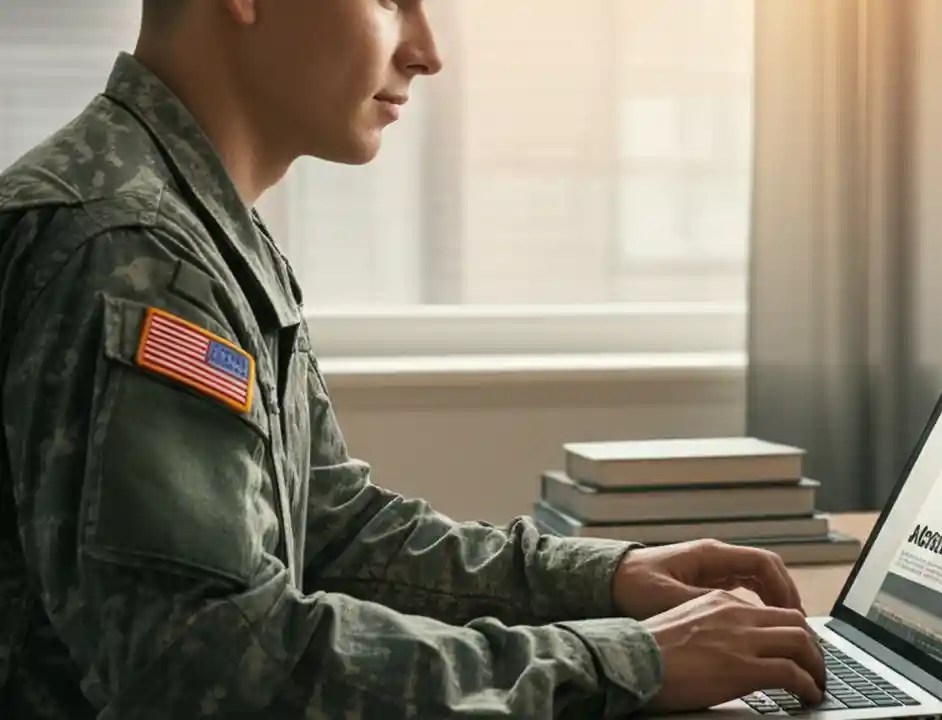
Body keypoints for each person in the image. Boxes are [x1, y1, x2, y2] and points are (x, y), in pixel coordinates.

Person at [0, 1, 826, 716]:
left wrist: (607, 581)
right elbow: (207, 661)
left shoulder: (194, 228)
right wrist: (621, 659)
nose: (427, 52)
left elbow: (334, 533)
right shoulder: (128, 249)